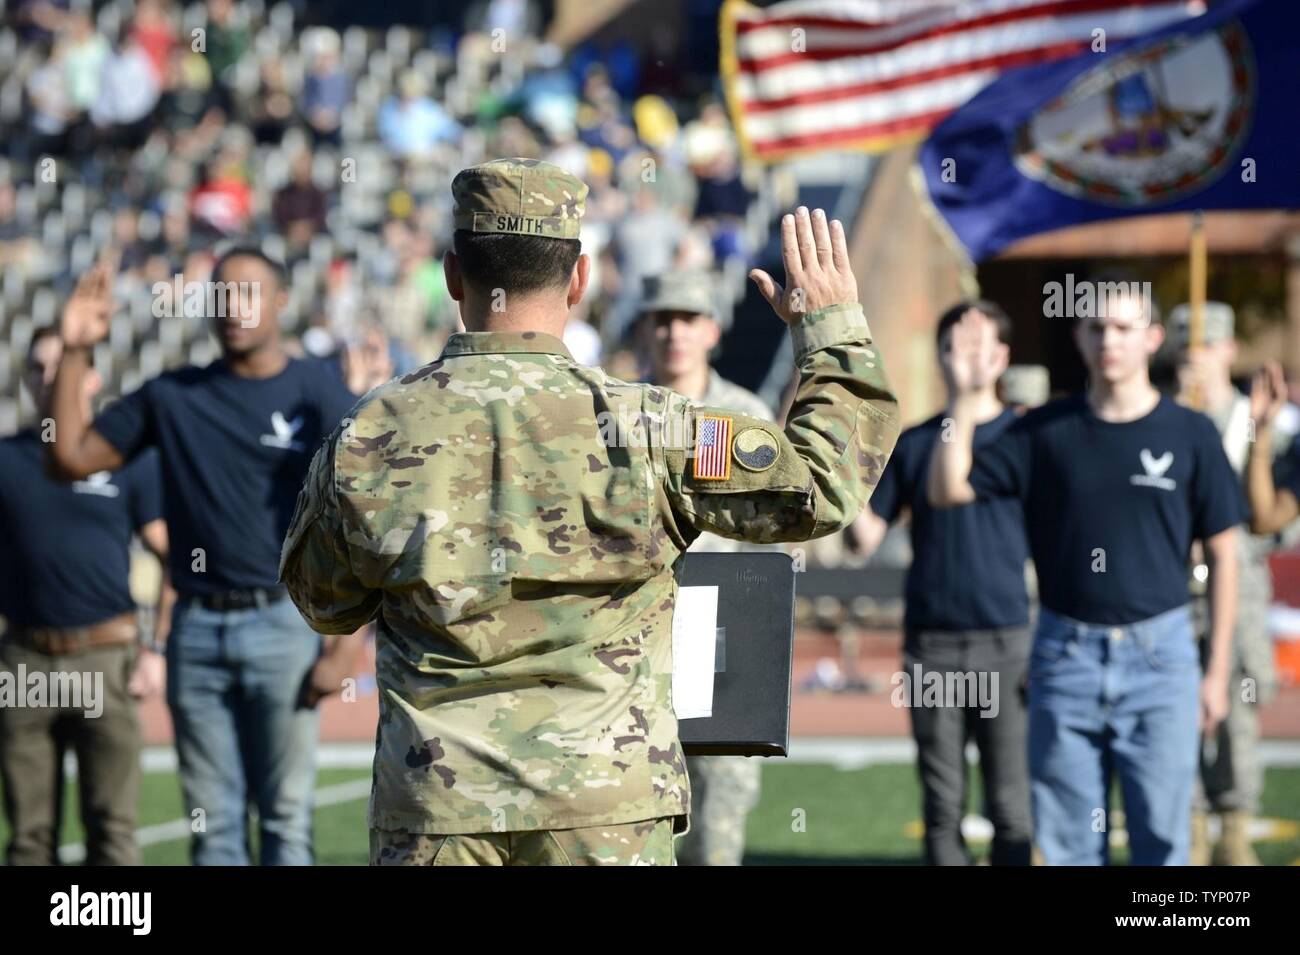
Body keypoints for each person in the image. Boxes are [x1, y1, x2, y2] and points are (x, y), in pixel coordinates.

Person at [280, 159, 900, 866]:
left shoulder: (372, 431)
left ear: (455, 276)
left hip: (437, 808)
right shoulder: (654, 425)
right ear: (579, 279)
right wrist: (832, 330)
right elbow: (821, 483)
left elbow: (323, 601)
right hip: (606, 812)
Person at [46, 247, 378, 866]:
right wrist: (73, 349)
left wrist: (344, 647)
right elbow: (68, 458)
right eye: (221, 294)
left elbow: (363, 523)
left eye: (249, 292)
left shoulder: (317, 391)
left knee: (286, 824)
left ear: (282, 302)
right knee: (214, 832)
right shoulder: (173, 395)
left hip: (284, 624)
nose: (234, 307)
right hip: (195, 632)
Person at [927, 290, 1241, 866]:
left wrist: (1217, 671)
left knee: (1164, 843)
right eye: (1096, 328)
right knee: (1069, 845)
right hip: (1064, 653)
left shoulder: (1191, 433)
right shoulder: (1045, 429)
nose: (1109, 341)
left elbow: (1225, 554)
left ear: (1151, 338)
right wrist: (966, 396)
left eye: (1124, 328)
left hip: (1162, 657)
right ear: (1079, 337)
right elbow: (948, 488)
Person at [853, 301, 1032, 866]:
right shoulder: (917, 441)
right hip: (932, 645)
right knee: (942, 804)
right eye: (956, 345)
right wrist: (839, 451)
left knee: (1011, 806)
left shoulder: (1025, 436)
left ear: (1002, 357)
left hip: (1006, 641)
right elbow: (863, 538)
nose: (967, 359)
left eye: (980, 346)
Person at [0, 327, 169, 865]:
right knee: (28, 838)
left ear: (90, 377)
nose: (48, 378)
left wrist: (154, 649)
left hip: (106, 656)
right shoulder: (4, 460)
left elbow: (173, 557)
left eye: (60, 366)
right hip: (23, 659)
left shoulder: (125, 458)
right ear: (25, 380)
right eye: (38, 369)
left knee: (113, 832)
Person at [635, 268, 770, 867]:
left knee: (719, 807)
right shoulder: (619, 411)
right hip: (634, 628)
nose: (674, 333)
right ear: (645, 329)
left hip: (719, 625)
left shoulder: (739, 414)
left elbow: (771, 530)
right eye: (663, 320)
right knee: (635, 804)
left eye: (688, 320)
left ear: (712, 330)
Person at [1172, 302, 1284, 866]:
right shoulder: (1159, 416)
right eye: (1188, 345)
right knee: (1174, 704)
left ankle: (1233, 823)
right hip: (1173, 585)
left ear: (1230, 349)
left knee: (1239, 701)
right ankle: (1189, 820)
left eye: (1210, 344)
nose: (1199, 356)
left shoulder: (1256, 417)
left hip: (1238, 584)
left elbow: (1269, 516)